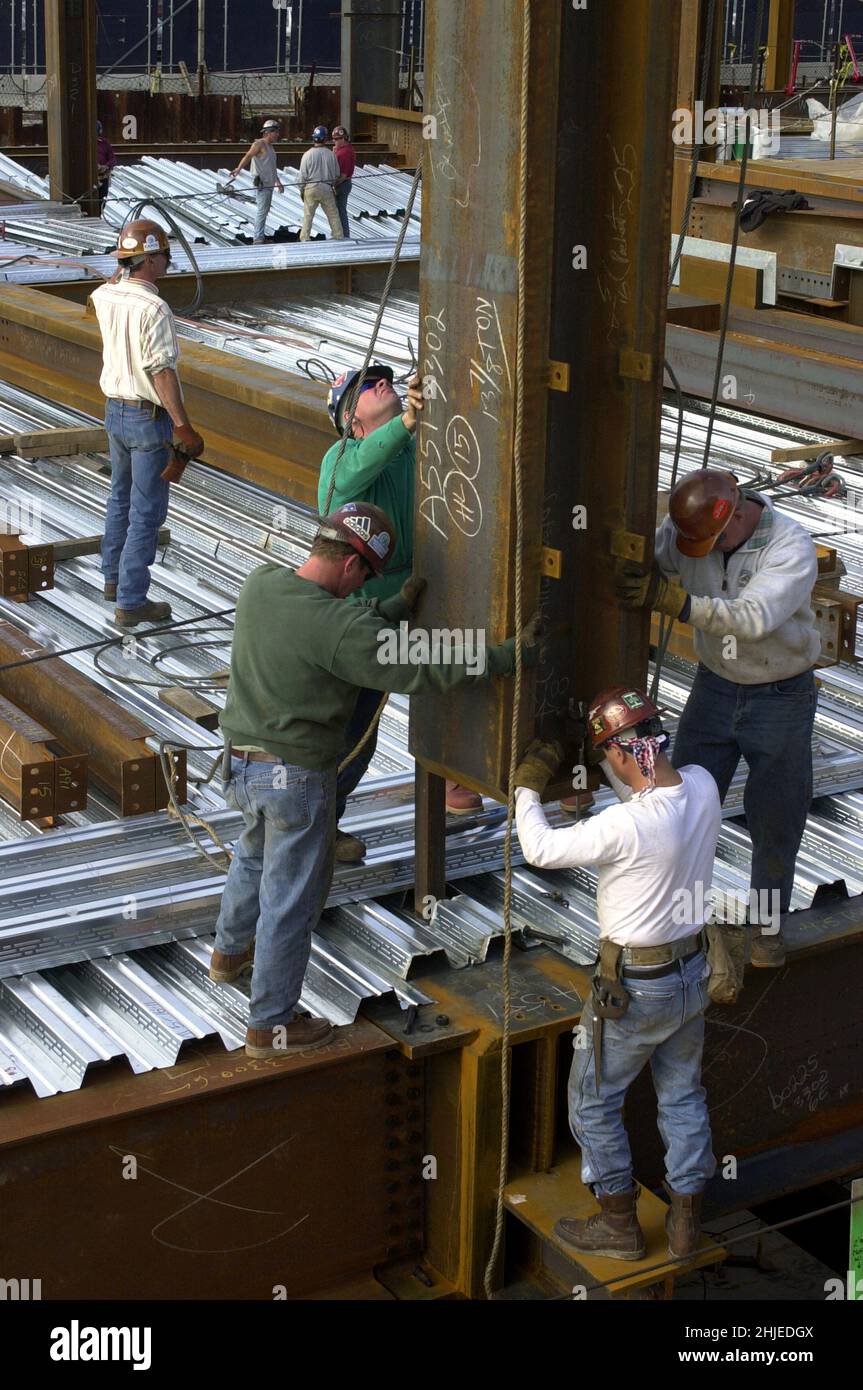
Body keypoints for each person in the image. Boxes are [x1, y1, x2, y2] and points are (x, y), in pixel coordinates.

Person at [212, 501, 539, 1059]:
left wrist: (389, 606)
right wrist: (505, 657)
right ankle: (270, 1025)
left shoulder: (261, 583)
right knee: (291, 898)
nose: (361, 586)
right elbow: (423, 665)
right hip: (295, 781)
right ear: (350, 567)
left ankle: (228, 955)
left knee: (252, 855)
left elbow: (328, 624)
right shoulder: (342, 628)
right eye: (364, 576)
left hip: (240, 768)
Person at [513, 686, 721, 1262]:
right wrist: (604, 755)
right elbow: (643, 782)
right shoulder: (702, 785)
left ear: (627, 756)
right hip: (691, 974)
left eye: (609, 761)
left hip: (634, 990)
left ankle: (619, 1224)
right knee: (682, 1094)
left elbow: (539, 847)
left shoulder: (624, 828)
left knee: (592, 1101)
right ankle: (685, 1224)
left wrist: (529, 783)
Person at [617, 468, 820, 968]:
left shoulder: (790, 548)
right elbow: (657, 555)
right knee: (677, 805)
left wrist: (675, 602)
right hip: (715, 689)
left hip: (780, 695)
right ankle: (671, 927)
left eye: (706, 542)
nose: (697, 551)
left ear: (731, 517)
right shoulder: (689, 534)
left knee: (776, 817)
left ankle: (767, 929)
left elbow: (752, 618)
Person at [320, 364, 484, 862]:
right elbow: (356, 471)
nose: (380, 384)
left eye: (382, 378)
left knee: (448, 680)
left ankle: (455, 778)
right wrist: (408, 420)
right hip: (363, 608)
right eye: (368, 386)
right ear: (351, 420)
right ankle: (320, 825)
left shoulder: (416, 446)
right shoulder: (342, 456)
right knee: (354, 727)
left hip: (424, 588)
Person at [90, 220, 205, 628]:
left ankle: (112, 578)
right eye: (164, 255)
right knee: (146, 511)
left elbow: (107, 282)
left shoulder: (104, 296)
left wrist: (121, 265)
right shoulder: (155, 308)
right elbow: (161, 371)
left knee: (119, 497)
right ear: (151, 259)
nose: (168, 261)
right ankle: (131, 600)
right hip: (145, 418)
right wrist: (183, 426)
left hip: (114, 412)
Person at [231, 119, 284, 244]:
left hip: (269, 184)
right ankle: (258, 238)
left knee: (264, 211)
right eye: (275, 132)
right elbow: (248, 156)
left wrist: (278, 181)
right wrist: (239, 169)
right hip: (262, 184)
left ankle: (260, 236)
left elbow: (271, 166)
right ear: (268, 132)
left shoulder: (271, 147)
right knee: (262, 211)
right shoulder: (259, 144)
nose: (277, 135)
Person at [298, 126, 344, 242]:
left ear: (314, 139)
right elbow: (336, 174)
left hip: (310, 187)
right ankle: (338, 236)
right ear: (325, 139)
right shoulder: (331, 155)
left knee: (308, 216)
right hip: (327, 188)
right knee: (333, 215)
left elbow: (302, 176)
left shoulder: (307, 155)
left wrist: (302, 189)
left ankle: (305, 238)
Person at [332, 125, 356, 238]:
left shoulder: (345, 153)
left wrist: (333, 185)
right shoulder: (342, 150)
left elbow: (343, 175)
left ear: (343, 139)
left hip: (342, 184)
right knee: (339, 210)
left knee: (340, 211)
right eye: (334, 139)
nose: (334, 141)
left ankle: (344, 235)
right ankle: (341, 234)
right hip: (343, 183)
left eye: (337, 139)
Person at [96, 121, 116, 213]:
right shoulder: (84, 144)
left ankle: (99, 214)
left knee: (102, 199)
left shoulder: (104, 143)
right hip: (89, 179)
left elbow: (113, 159)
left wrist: (105, 166)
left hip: (103, 177)